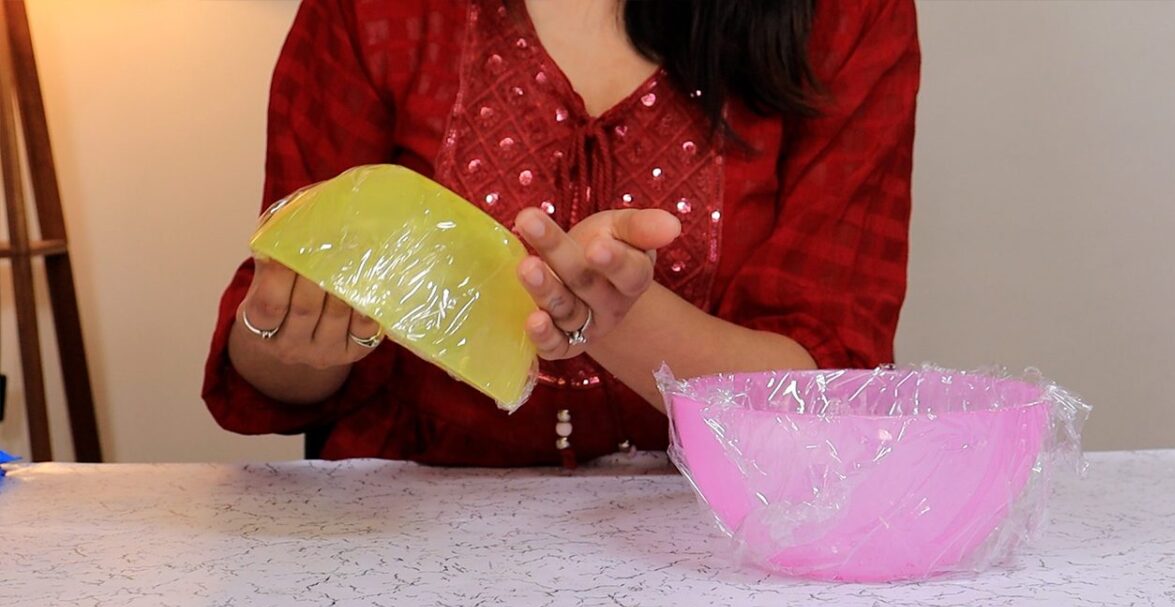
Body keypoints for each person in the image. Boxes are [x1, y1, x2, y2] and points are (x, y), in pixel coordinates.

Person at [204, 0, 920, 467]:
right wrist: (290, 331)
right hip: (410, 544)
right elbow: (268, 366)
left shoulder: (847, 15)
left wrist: (617, 318)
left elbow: (834, 396)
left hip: (712, 548)